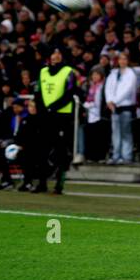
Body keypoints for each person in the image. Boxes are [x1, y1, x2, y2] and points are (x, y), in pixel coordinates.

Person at [36, 46, 79, 195]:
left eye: (58, 53)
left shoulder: (68, 72)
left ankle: (59, 184)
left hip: (62, 116)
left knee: (61, 152)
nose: (56, 56)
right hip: (46, 117)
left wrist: (52, 107)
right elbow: (38, 93)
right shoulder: (42, 71)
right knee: (42, 150)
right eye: (53, 53)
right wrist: (43, 110)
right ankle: (41, 183)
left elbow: (69, 93)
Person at [104, 51, 139, 164]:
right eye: (120, 59)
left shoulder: (131, 74)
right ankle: (116, 156)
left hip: (126, 106)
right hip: (113, 107)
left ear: (127, 61)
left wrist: (114, 101)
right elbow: (107, 88)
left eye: (124, 59)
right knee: (115, 133)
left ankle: (126, 157)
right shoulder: (113, 73)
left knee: (126, 133)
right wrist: (109, 101)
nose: (122, 61)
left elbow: (127, 90)